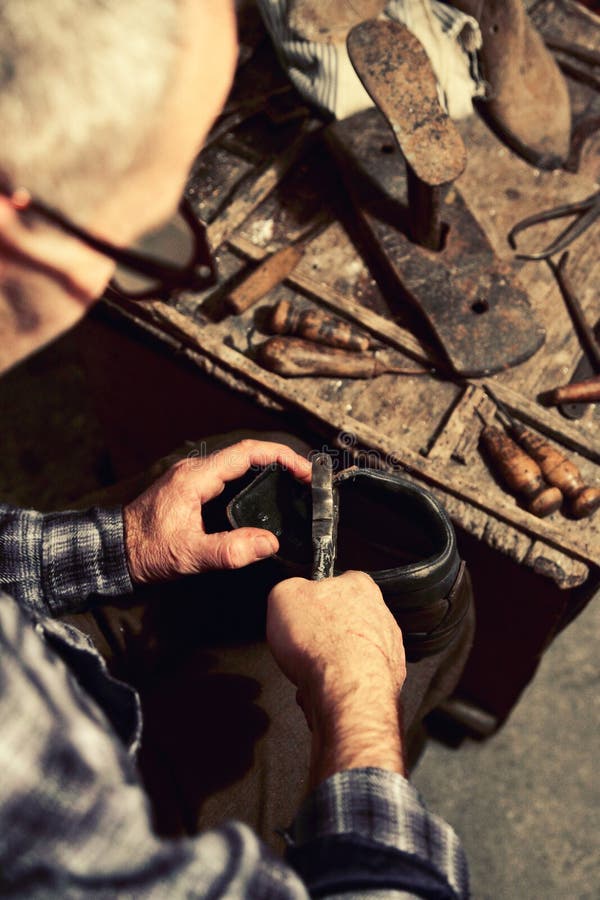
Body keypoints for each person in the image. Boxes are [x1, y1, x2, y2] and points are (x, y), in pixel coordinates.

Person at [0, 1, 469, 896]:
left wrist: (122, 543)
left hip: (52, 642)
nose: (130, 263)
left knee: (255, 463)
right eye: (141, 236)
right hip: (104, 784)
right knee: (429, 609)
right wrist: (357, 710)